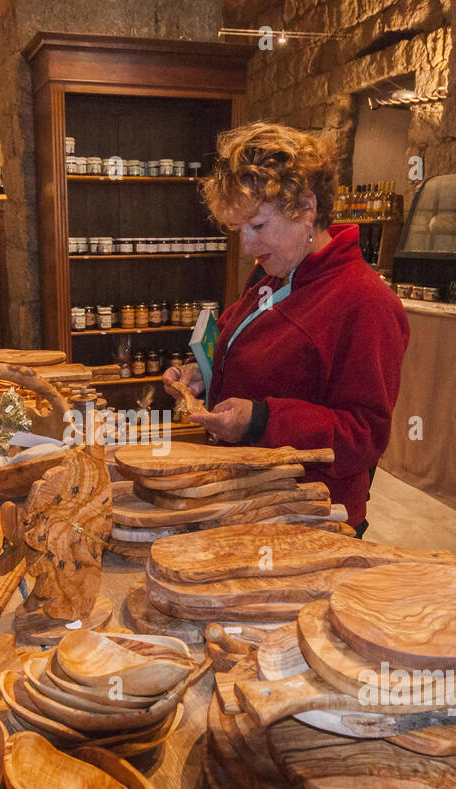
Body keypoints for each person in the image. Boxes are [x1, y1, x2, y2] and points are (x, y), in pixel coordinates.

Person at [163, 122, 408, 536]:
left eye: (258, 227)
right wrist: (202, 371)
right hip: (248, 495)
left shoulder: (366, 303)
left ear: (307, 208)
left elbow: (364, 435)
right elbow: (236, 342)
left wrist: (260, 419)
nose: (247, 246)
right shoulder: (272, 273)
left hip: (309, 516)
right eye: (239, 229)